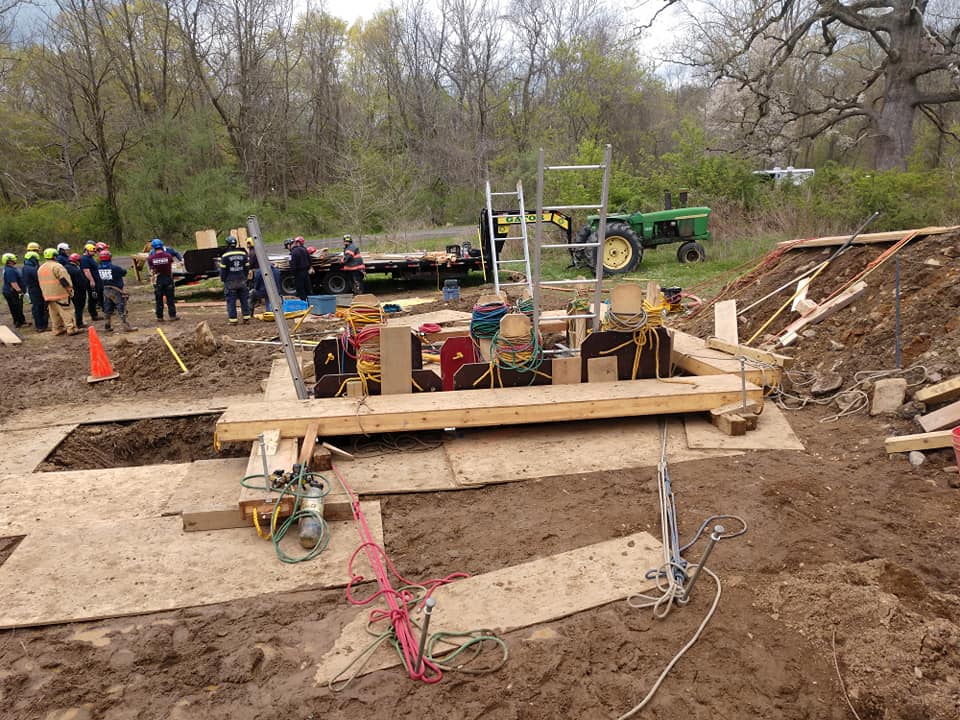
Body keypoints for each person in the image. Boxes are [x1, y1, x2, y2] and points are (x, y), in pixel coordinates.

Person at [38, 248, 78, 336]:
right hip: (60, 294)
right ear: (55, 256)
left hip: (48, 295)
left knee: (54, 313)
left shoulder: (41, 268)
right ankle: (71, 328)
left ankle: (57, 329)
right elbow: (64, 279)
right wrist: (69, 289)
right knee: (67, 311)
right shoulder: (57, 266)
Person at [98, 250, 136, 332]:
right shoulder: (114, 268)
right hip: (115, 290)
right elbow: (123, 272)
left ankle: (107, 326)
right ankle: (126, 326)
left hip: (105, 290)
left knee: (107, 308)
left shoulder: (99, 268)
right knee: (121, 307)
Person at [219, 236, 251, 324]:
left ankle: (233, 320)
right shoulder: (243, 254)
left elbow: (223, 271)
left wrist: (223, 279)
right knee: (244, 300)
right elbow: (247, 267)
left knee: (231, 301)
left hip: (230, 282)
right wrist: (244, 277)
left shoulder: (225, 256)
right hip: (242, 281)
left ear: (227, 244)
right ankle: (246, 318)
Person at [147, 238, 178, 322]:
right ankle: (172, 316)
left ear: (153, 247)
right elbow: (171, 264)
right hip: (168, 279)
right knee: (170, 299)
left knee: (159, 299)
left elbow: (152, 270)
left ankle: (159, 317)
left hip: (158, 280)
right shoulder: (168, 256)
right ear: (162, 246)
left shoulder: (151, 258)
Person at [21, 250, 49, 332]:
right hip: (36, 290)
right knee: (39, 308)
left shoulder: (25, 267)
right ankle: (41, 326)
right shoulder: (31, 269)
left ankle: (40, 325)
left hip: (32, 289)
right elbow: (39, 278)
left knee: (37, 307)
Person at [2, 253, 28, 329]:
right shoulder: (10, 270)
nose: (15, 260)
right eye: (13, 259)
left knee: (18, 306)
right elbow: (13, 282)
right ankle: (19, 323)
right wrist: (19, 291)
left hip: (11, 292)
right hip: (12, 292)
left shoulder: (11, 268)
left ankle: (22, 321)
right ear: (9, 261)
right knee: (16, 307)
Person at [64, 253, 89, 328]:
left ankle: (73, 322)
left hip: (69, 291)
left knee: (71, 308)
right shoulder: (76, 270)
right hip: (78, 291)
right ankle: (79, 323)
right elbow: (81, 283)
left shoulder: (65, 267)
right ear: (76, 261)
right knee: (79, 307)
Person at [80, 243, 103, 320]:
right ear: (87, 251)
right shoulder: (84, 259)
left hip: (96, 280)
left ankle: (95, 313)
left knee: (95, 297)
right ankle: (93, 314)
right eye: (92, 251)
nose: (94, 253)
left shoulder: (90, 257)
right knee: (92, 297)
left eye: (94, 251)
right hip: (91, 281)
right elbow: (86, 271)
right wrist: (91, 280)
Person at [289, 235, 311, 301]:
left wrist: (293, 274)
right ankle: (309, 303)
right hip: (305, 272)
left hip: (298, 273)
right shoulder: (304, 249)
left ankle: (304, 304)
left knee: (300, 289)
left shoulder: (293, 252)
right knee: (307, 288)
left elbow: (293, 265)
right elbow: (309, 260)